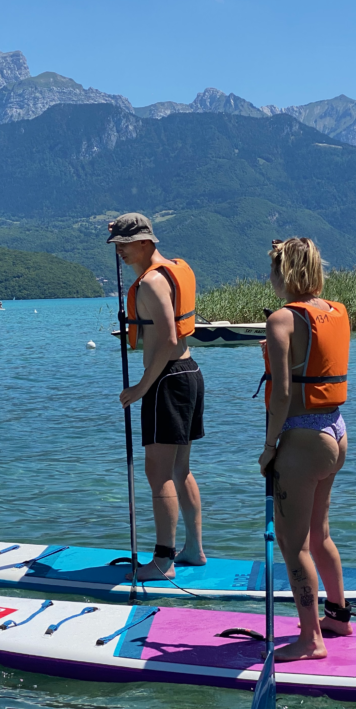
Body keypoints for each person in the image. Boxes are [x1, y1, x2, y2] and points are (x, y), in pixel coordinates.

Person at [257, 237, 351, 662]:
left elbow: (281, 395)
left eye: (273, 269)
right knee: (319, 533)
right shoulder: (335, 310)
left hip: (303, 440)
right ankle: (338, 616)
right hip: (335, 431)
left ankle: (311, 639)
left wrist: (269, 448)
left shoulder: (281, 319)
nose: (270, 278)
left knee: (292, 543)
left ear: (286, 273)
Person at [107, 213, 206, 579]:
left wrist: (141, 387)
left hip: (167, 380)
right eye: (116, 244)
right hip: (188, 373)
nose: (120, 250)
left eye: (125, 244)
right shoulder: (168, 271)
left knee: (158, 471)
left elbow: (166, 339)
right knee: (180, 468)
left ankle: (164, 561)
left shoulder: (151, 282)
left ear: (147, 242)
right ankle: (193, 550)